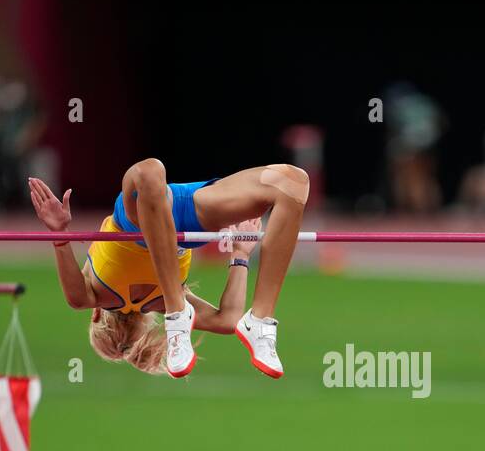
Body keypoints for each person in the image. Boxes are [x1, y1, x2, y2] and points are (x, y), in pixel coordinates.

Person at [28, 158, 308, 379]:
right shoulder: (121, 299)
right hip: (170, 217)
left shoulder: (101, 297)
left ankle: (248, 318)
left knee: (152, 175)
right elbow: (229, 320)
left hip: (159, 207)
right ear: (96, 317)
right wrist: (239, 255)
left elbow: (226, 320)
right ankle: (260, 320)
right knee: (293, 183)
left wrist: (240, 256)